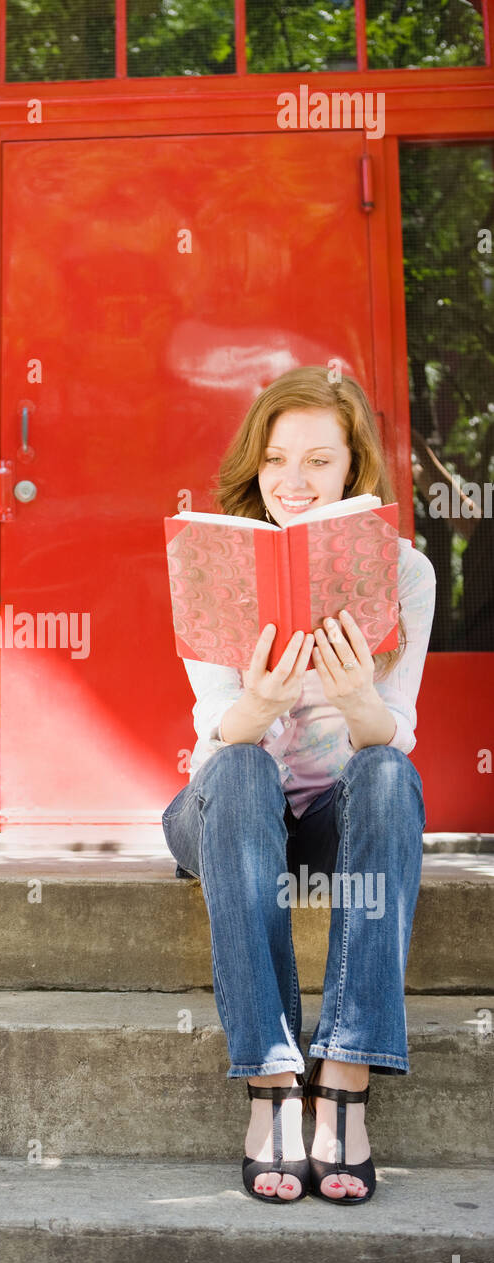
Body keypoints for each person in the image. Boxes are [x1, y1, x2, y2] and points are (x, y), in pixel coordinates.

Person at [162, 366, 436, 1205]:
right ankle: (274, 1081)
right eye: (277, 459)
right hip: (225, 808)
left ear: (353, 470)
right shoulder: (218, 563)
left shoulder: (405, 573)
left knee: (389, 772)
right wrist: (259, 704)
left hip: (329, 819)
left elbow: (398, 729)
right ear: (257, 464)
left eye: (319, 461)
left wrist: (357, 700)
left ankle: (345, 1071)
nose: (294, 481)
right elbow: (216, 735)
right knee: (242, 765)